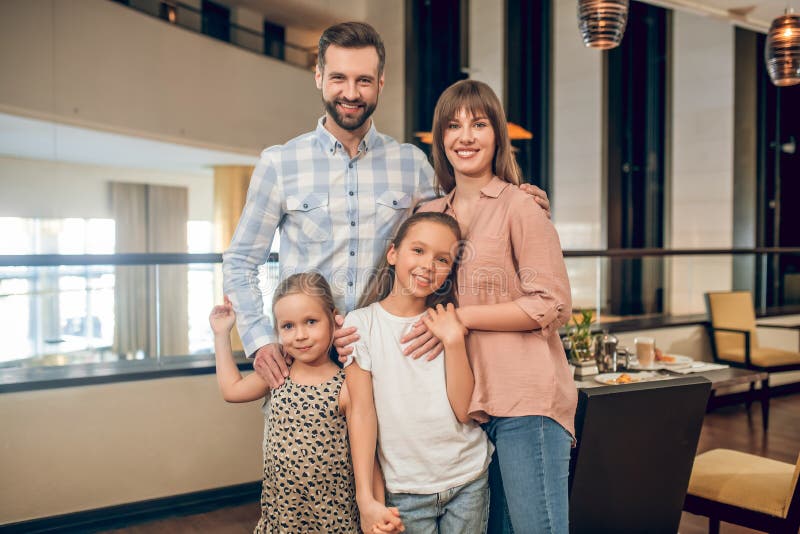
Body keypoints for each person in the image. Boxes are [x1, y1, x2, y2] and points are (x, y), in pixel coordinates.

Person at [222, 21, 551, 391]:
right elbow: (240, 262)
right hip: (304, 366)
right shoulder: (279, 164)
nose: (351, 92)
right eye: (338, 78)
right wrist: (260, 339)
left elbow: (453, 234)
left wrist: (517, 199)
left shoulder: (411, 165)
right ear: (318, 77)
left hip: (387, 359)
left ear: (380, 82)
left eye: (363, 80)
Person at [415, 80, 578, 533]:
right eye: (453, 125)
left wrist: (463, 318)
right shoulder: (430, 213)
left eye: (478, 124)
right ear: (440, 138)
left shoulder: (520, 205)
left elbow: (553, 304)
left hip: (526, 400)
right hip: (464, 405)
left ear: (497, 134)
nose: (465, 136)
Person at [209, 274, 403, 534]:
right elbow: (231, 390)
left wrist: (375, 511)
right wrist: (221, 335)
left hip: (332, 522)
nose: (300, 335)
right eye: (288, 326)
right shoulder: (278, 374)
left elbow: (368, 459)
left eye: (311, 322)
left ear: (333, 320)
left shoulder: (346, 385)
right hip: (281, 518)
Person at [344, 212, 493, 533]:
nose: (429, 265)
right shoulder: (361, 324)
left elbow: (465, 410)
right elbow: (361, 414)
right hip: (405, 490)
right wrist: (365, 498)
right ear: (393, 253)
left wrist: (453, 341)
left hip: (468, 478)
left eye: (442, 259)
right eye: (418, 250)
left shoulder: (449, 320)